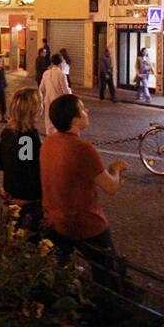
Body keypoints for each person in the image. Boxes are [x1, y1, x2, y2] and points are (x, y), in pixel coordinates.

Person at [41, 94, 129, 298]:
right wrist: (117, 169)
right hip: (84, 223)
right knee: (108, 272)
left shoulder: (49, 142)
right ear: (74, 119)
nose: (87, 111)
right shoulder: (83, 149)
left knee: (59, 272)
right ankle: (110, 306)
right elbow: (111, 187)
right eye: (82, 109)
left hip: (55, 219)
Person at [0, 86, 47, 237]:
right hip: (25, 198)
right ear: (32, 109)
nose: (43, 105)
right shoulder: (26, 138)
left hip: (12, 190)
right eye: (40, 102)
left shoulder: (9, 131)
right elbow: (26, 169)